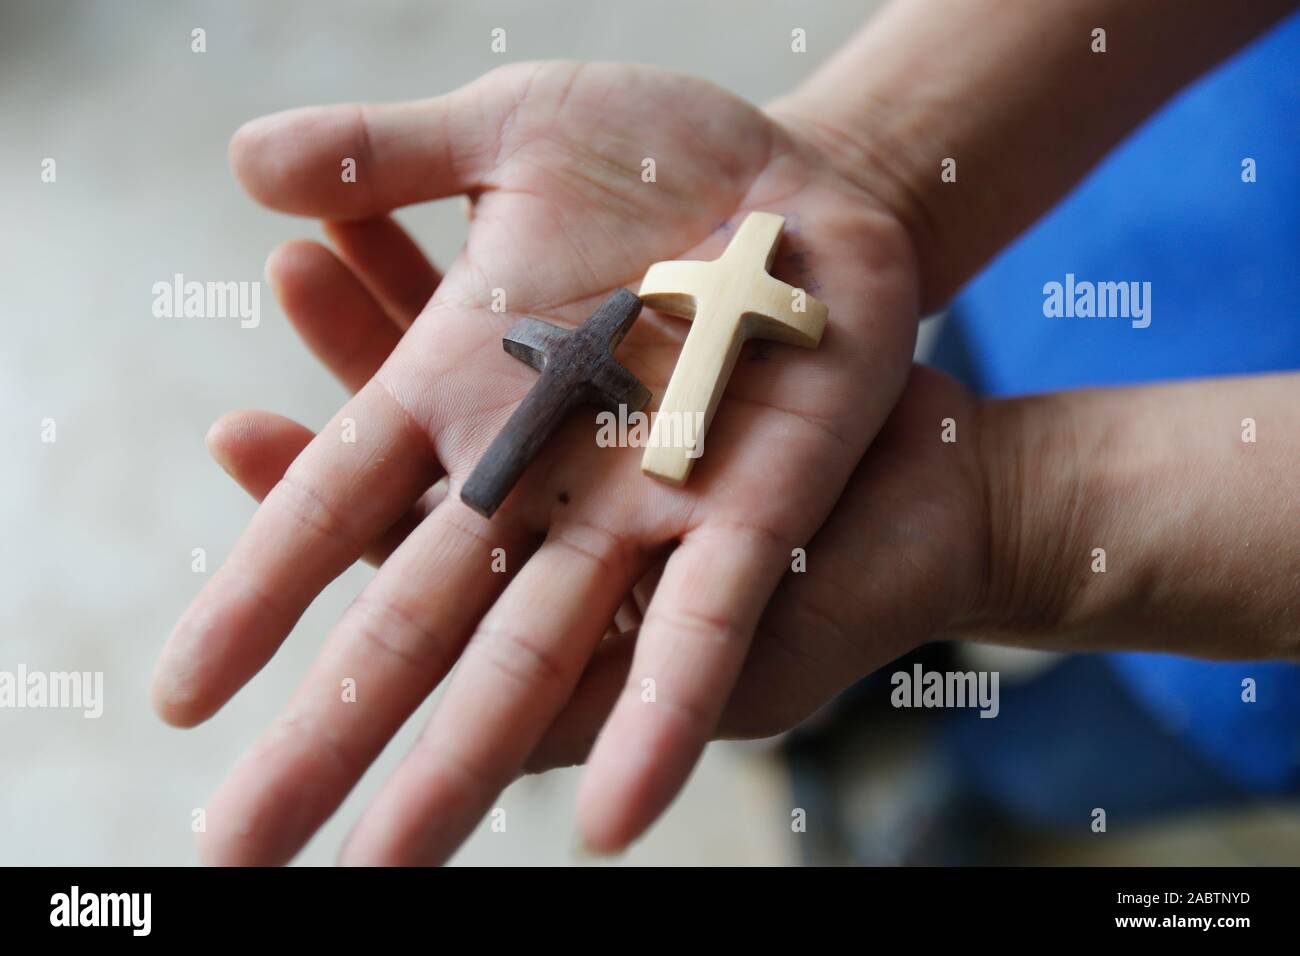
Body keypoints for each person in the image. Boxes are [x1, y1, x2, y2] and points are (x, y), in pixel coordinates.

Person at [154, 0, 1300, 865]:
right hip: (1085, 222)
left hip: (1222, 602)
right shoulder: (635, 332)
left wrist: (1020, 518)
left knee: (1058, 752)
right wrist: (878, 158)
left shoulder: (681, 337)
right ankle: (890, 706)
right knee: (864, 486)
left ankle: (958, 790)